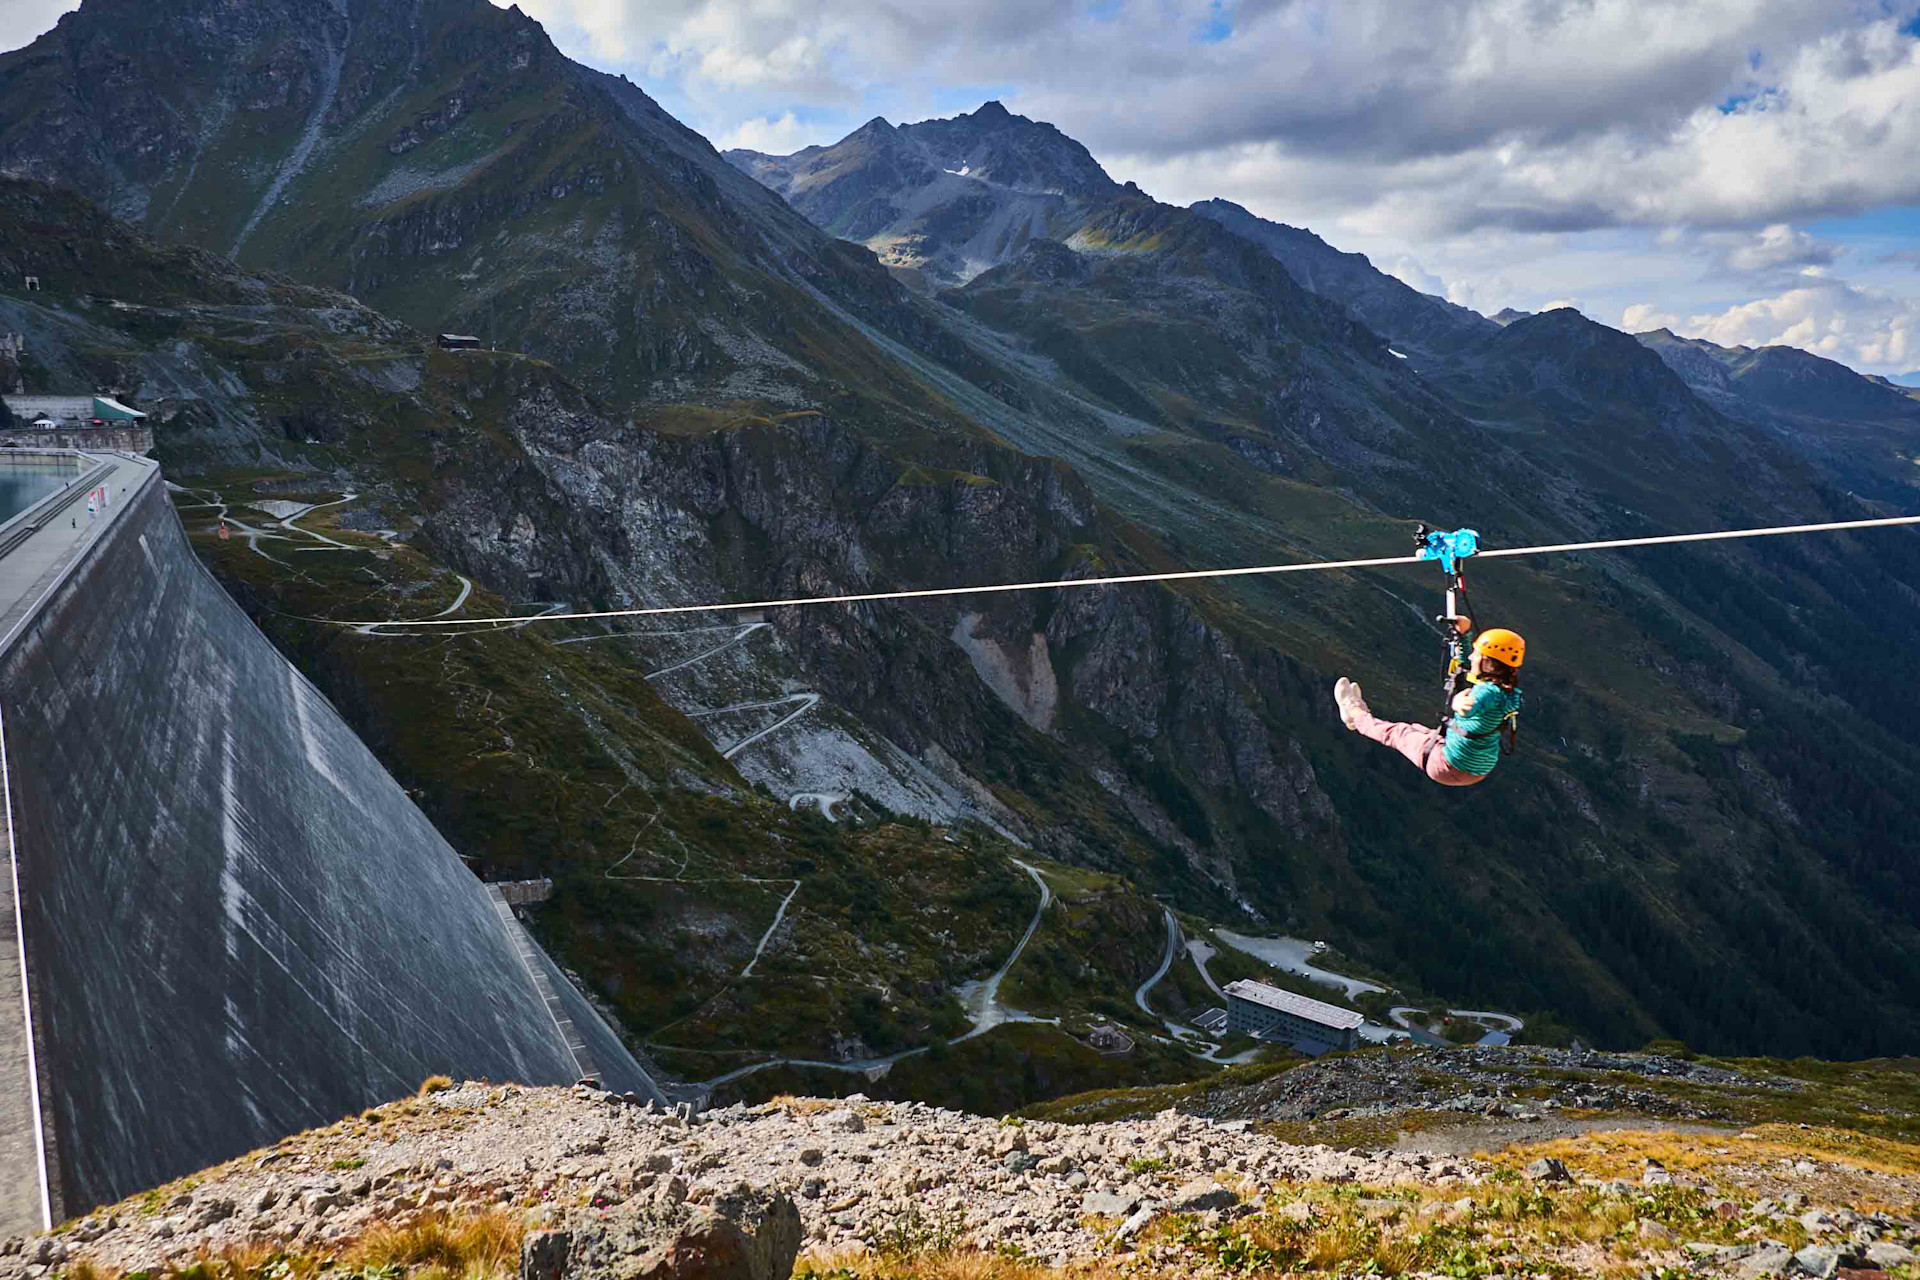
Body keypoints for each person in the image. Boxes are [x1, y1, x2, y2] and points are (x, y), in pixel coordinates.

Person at [1333, 629, 1525, 787]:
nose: (1471, 656)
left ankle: (1354, 713)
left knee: (1397, 733)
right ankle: (1357, 717)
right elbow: (1468, 668)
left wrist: (1459, 703)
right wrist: (1464, 635)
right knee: (1416, 730)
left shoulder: (1485, 693)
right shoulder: (1506, 690)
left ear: (1489, 665)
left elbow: (1471, 706)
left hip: (1448, 767)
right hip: (1476, 769)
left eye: (1476, 654)